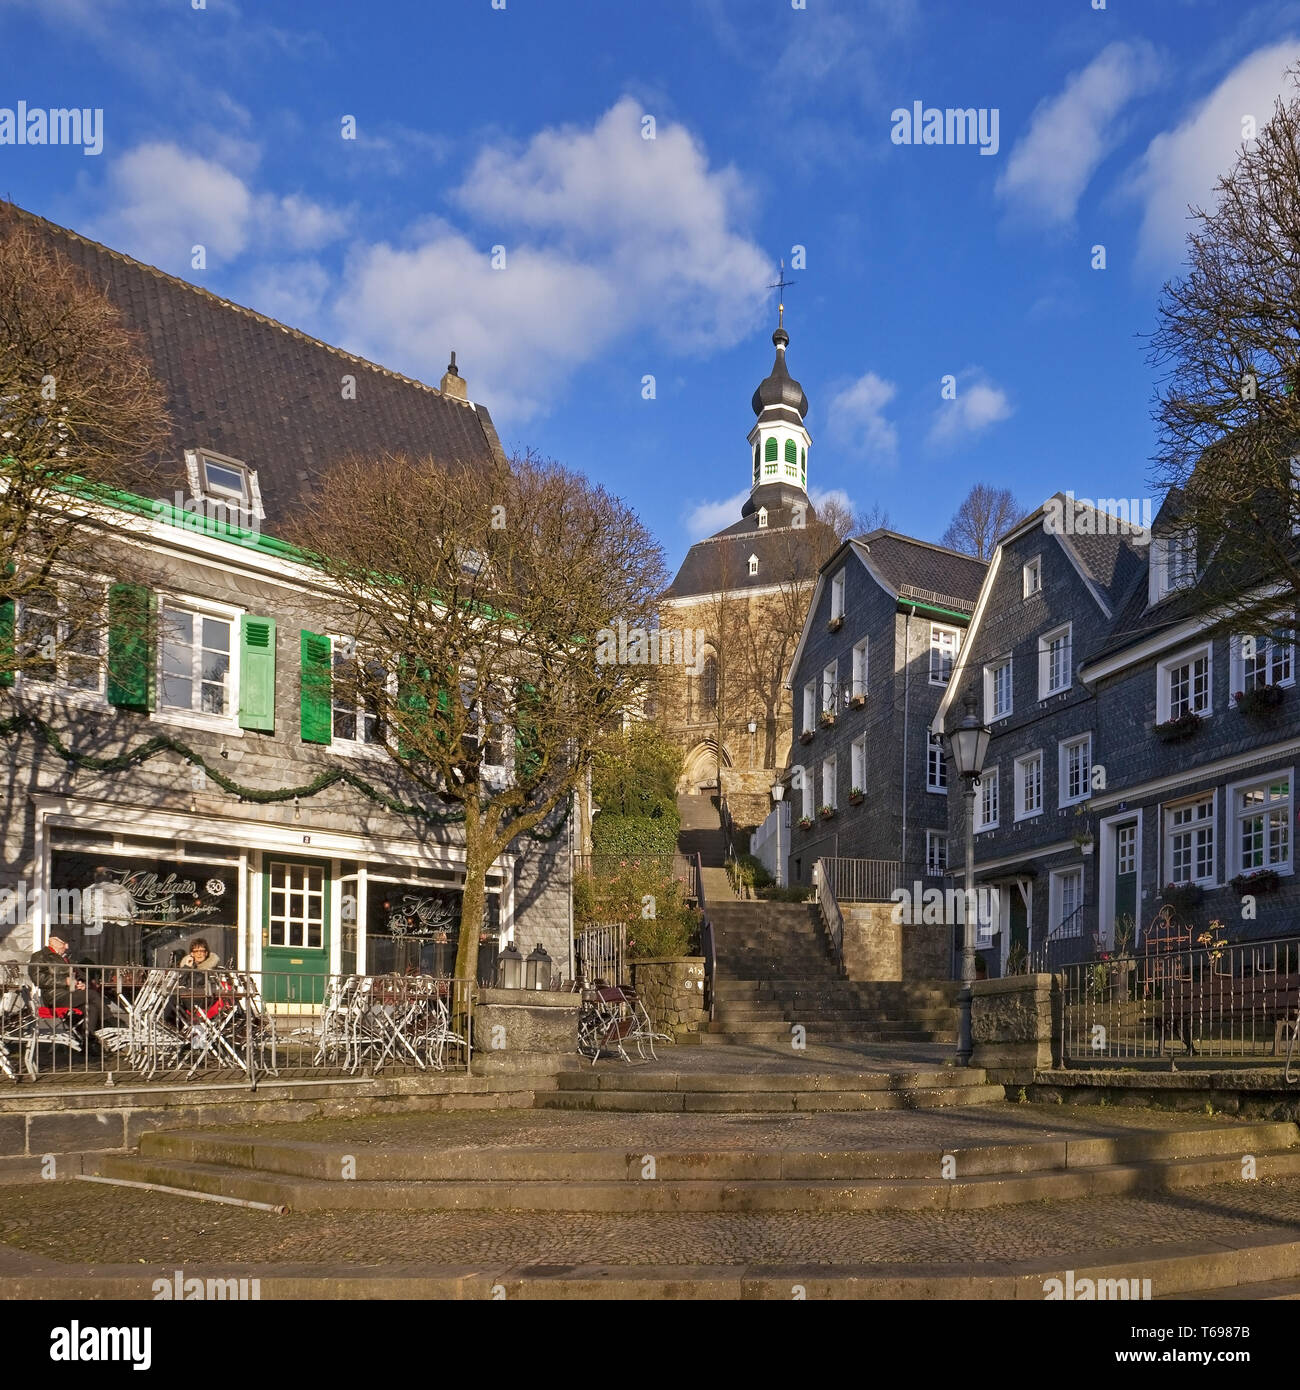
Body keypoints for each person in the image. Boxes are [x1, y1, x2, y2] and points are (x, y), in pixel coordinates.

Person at [27, 931, 104, 1041]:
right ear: (52, 941)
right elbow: (37, 978)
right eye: (64, 943)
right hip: (54, 997)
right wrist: (64, 981)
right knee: (91, 994)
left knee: (91, 1008)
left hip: (70, 995)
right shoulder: (40, 956)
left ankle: (89, 1043)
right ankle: (110, 1024)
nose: (67, 947)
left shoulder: (65, 958)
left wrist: (79, 984)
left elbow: (74, 977)